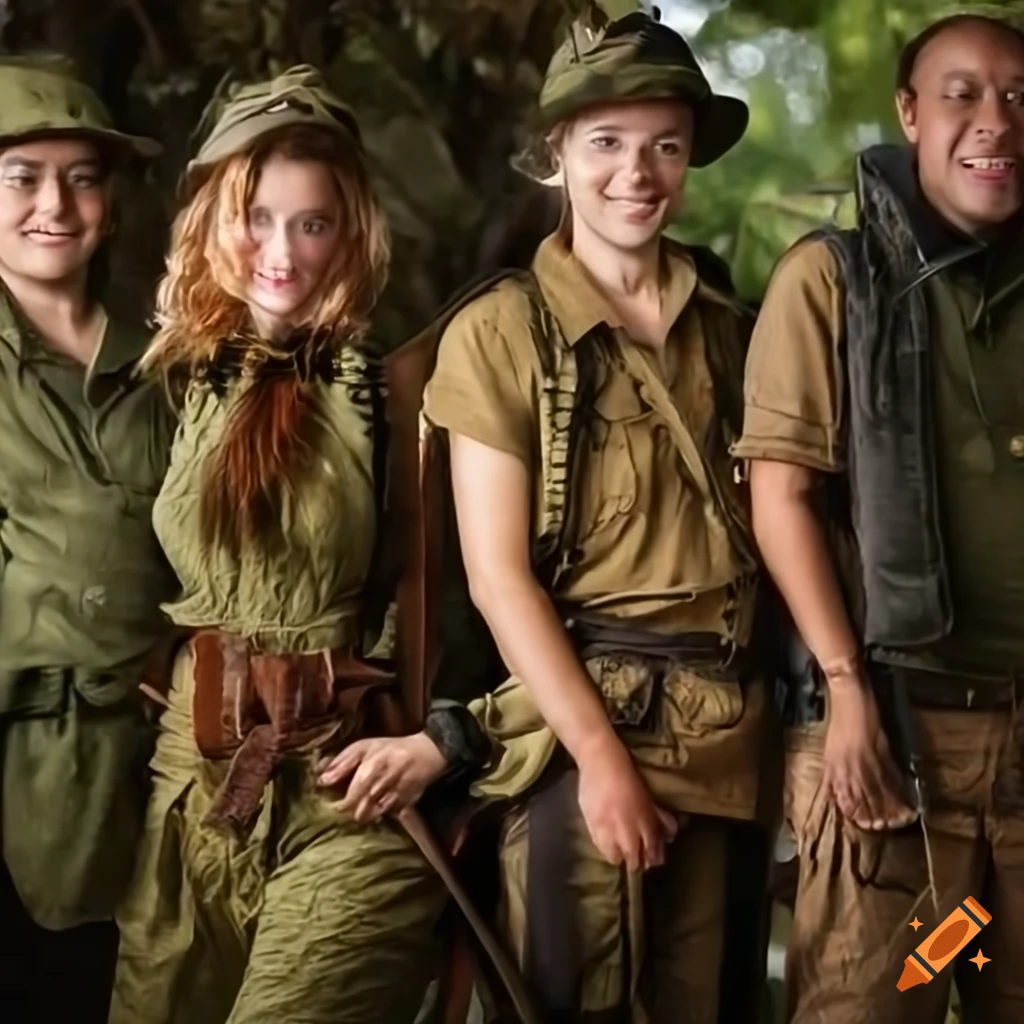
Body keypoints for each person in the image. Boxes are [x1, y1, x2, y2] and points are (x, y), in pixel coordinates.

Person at [395, 12, 774, 1022]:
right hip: (581, 724)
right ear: (555, 153)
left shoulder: (732, 332)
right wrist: (601, 762)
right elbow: (496, 574)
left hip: (728, 732)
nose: (635, 173)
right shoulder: (501, 330)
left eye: (664, 145)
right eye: (604, 143)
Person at [109, 66, 476, 1024]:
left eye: (311, 223)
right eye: (258, 217)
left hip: (345, 787)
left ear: (349, 231)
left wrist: (442, 739)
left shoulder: (402, 393)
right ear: (214, 218)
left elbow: (481, 590)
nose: (283, 250)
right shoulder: (178, 383)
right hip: (188, 791)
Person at [734, 13, 1024, 1024]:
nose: (994, 121)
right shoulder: (832, 279)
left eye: (1019, 97)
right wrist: (845, 687)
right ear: (908, 112)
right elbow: (780, 497)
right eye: (961, 94)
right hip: (889, 735)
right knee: (868, 1004)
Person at [0, 55, 174, 1024]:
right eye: (22, 176)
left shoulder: (166, 358)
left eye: (81, 176)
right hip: (26, 769)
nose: (53, 205)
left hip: (166, 764)